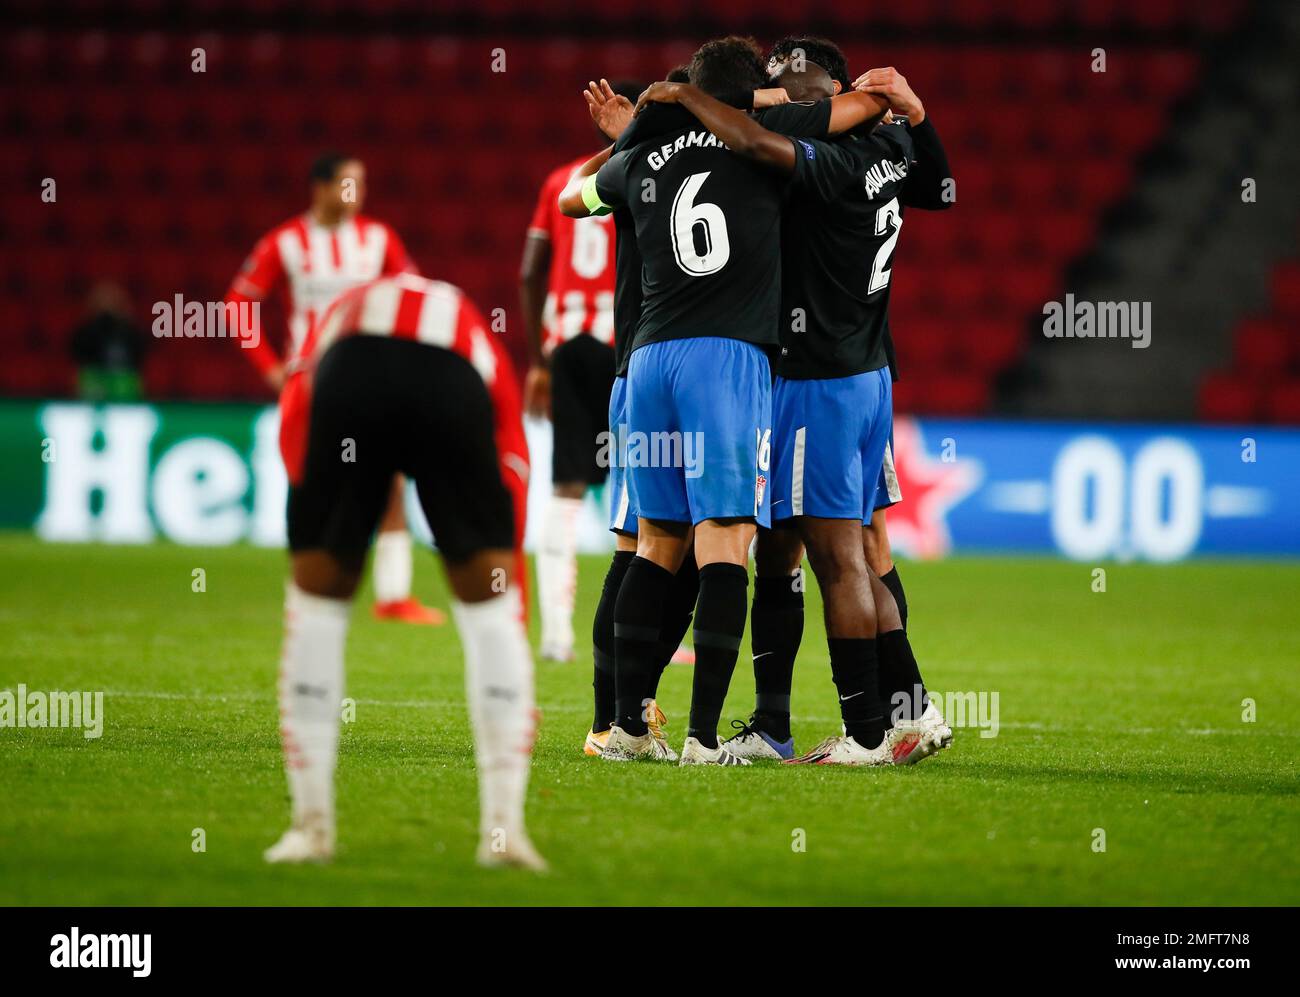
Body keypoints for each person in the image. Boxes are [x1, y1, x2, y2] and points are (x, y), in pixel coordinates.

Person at [561, 37, 888, 766]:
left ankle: (622, 727)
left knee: (650, 545)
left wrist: (637, 127)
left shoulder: (642, 157)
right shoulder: (758, 141)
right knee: (724, 544)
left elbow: (568, 197)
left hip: (644, 362)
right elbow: (856, 108)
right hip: (727, 359)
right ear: (749, 97)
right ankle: (705, 738)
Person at [264, 272, 542, 870]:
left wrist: (311, 526)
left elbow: (296, 407)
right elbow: (513, 456)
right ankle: (505, 836)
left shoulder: (340, 315)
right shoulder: (472, 331)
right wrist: (509, 595)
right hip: (452, 378)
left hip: (350, 373)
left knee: (317, 608)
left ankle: (310, 831)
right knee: (489, 615)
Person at [224, 152, 442, 625]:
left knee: (391, 482)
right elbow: (238, 303)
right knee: (314, 482)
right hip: (313, 381)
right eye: (348, 184)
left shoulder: (378, 239)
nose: (357, 194)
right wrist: (270, 368)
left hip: (373, 378)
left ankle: (393, 596)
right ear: (320, 188)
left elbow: (413, 295)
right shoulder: (286, 243)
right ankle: (302, 595)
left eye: (361, 184)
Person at [69, 281, 146, 401]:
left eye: (112, 300)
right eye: (104, 300)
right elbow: (78, 354)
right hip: (94, 378)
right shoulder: (86, 330)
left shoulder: (130, 330)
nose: (108, 304)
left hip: (123, 378)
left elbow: (139, 354)